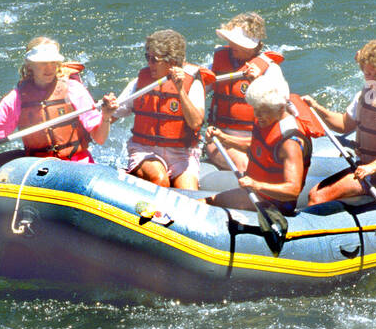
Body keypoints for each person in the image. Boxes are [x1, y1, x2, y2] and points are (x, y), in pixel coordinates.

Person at [303, 39, 376, 205]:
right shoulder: (368, 93)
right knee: (314, 193)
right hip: (367, 167)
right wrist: (316, 108)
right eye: (368, 74)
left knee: (319, 197)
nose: (372, 79)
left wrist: (372, 167)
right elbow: (344, 124)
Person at [0, 36, 106, 161]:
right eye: (42, 63)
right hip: (38, 168)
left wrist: (107, 115)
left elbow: (99, 138)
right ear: (30, 66)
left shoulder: (73, 89)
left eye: (53, 62)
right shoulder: (17, 98)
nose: (49, 68)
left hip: (77, 163)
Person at [101, 29, 205, 190]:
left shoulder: (193, 84)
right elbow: (114, 114)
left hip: (182, 154)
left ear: (171, 61)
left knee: (191, 194)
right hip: (145, 150)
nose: (149, 63)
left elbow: (196, 123)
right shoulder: (139, 83)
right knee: (159, 178)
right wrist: (106, 112)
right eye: (147, 57)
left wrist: (180, 91)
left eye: (154, 59)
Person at [206, 74, 312, 215]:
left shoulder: (290, 143)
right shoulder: (269, 120)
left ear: (280, 108)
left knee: (209, 202)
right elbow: (256, 147)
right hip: (256, 192)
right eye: (255, 109)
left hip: (274, 204)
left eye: (263, 111)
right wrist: (223, 137)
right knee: (209, 201)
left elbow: (292, 190)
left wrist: (256, 185)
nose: (257, 115)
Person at [204, 13, 286, 161]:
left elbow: (280, 109)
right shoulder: (217, 63)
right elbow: (198, 90)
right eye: (231, 41)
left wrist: (258, 81)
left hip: (256, 138)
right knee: (244, 164)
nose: (231, 45)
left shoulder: (270, 70)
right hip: (220, 137)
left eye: (237, 42)